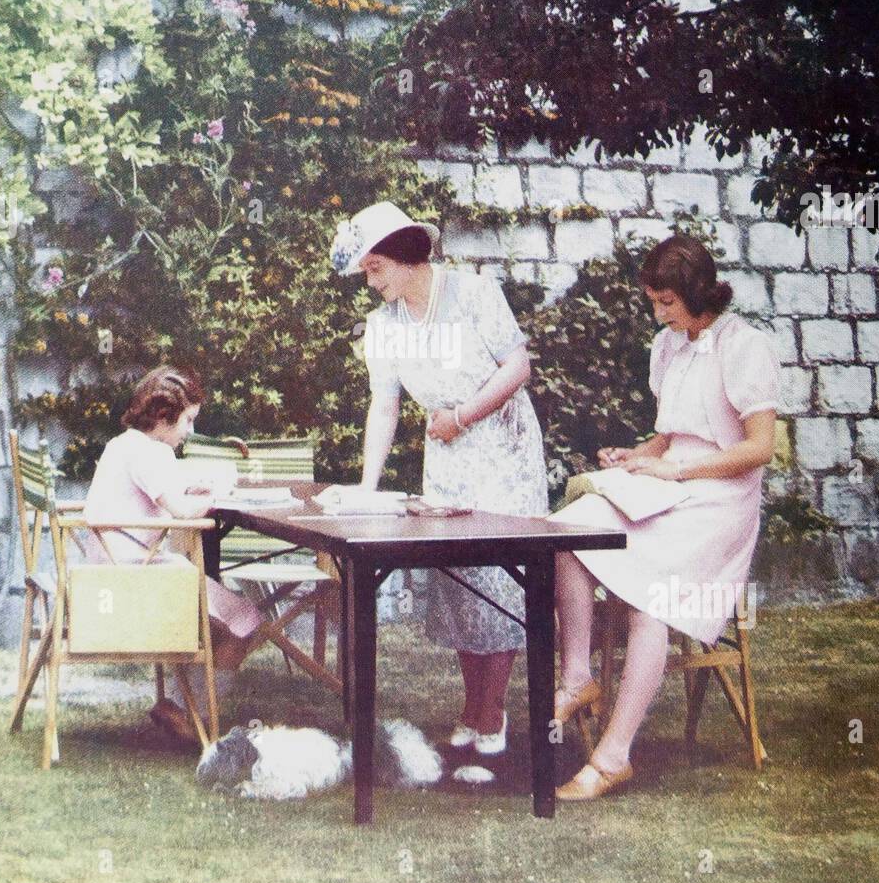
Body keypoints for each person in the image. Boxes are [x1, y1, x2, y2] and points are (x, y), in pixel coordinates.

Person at [549, 234, 780, 800]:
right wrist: (639, 457)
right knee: (569, 528)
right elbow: (671, 435)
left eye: (666, 303)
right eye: (654, 302)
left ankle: (614, 755)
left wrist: (675, 473)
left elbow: (759, 449)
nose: (658, 314)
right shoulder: (669, 345)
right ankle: (579, 676)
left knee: (651, 595)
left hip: (720, 501)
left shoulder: (744, 346)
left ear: (699, 293)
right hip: (668, 481)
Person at [331, 201, 549, 755]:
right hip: (448, 457)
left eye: (375, 267)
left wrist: (463, 415)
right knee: (460, 584)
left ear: (406, 255)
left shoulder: (474, 292)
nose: (370, 281)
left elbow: (518, 367)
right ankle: (472, 708)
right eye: (365, 271)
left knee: (499, 580)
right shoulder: (384, 326)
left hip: (502, 447)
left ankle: (491, 713)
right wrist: (367, 486)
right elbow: (384, 406)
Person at [83, 366, 263, 742]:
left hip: (104, 577)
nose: (190, 432)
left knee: (217, 620)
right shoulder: (152, 454)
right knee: (245, 619)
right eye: (189, 421)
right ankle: (188, 712)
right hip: (137, 582)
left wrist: (193, 488)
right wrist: (218, 496)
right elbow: (182, 513)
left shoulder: (124, 444)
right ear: (164, 417)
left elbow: (161, 492)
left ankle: (180, 707)